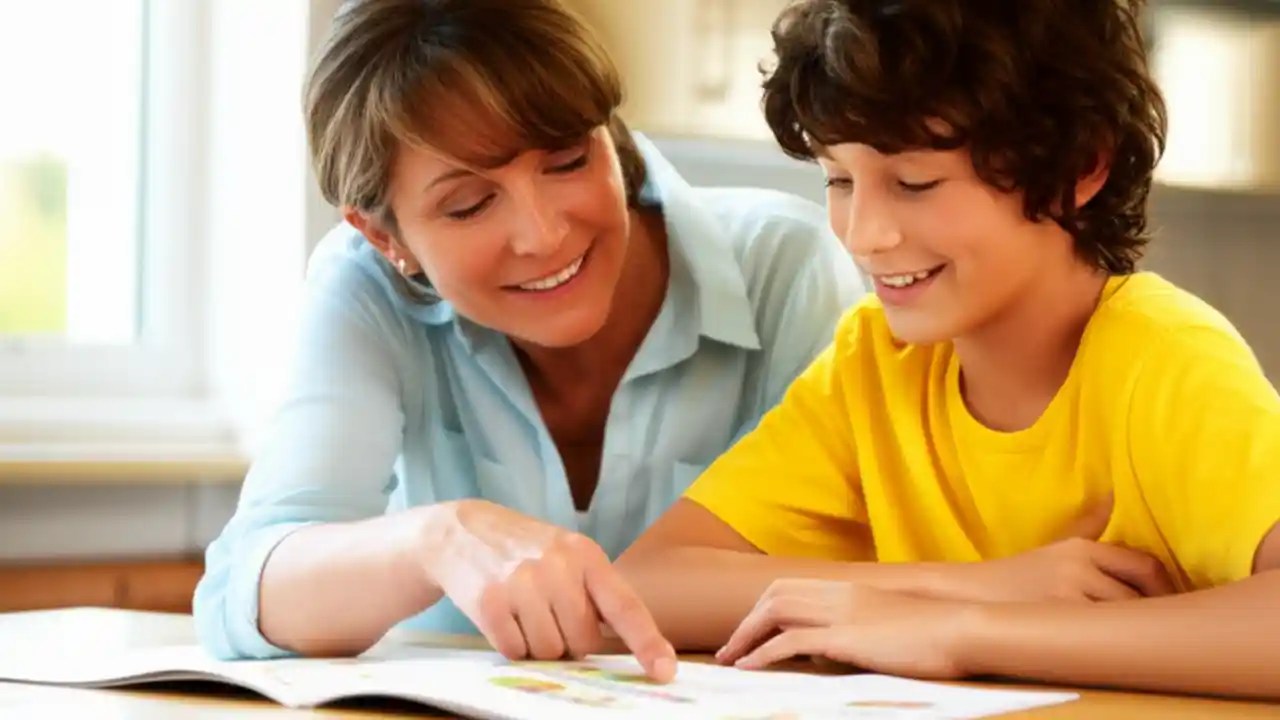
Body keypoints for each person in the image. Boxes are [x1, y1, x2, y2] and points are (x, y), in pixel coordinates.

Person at [618, 0, 1280, 699]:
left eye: (915, 184)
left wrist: (962, 630)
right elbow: (645, 584)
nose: (863, 234)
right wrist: (970, 589)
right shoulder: (873, 364)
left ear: (1080, 167)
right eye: (839, 179)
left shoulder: (1165, 361)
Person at [192, 0, 863, 682]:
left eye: (568, 161)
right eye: (470, 205)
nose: (542, 235)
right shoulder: (363, 290)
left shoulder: (786, 266)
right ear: (385, 237)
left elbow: (852, 580)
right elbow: (241, 592)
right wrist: (437, 538)